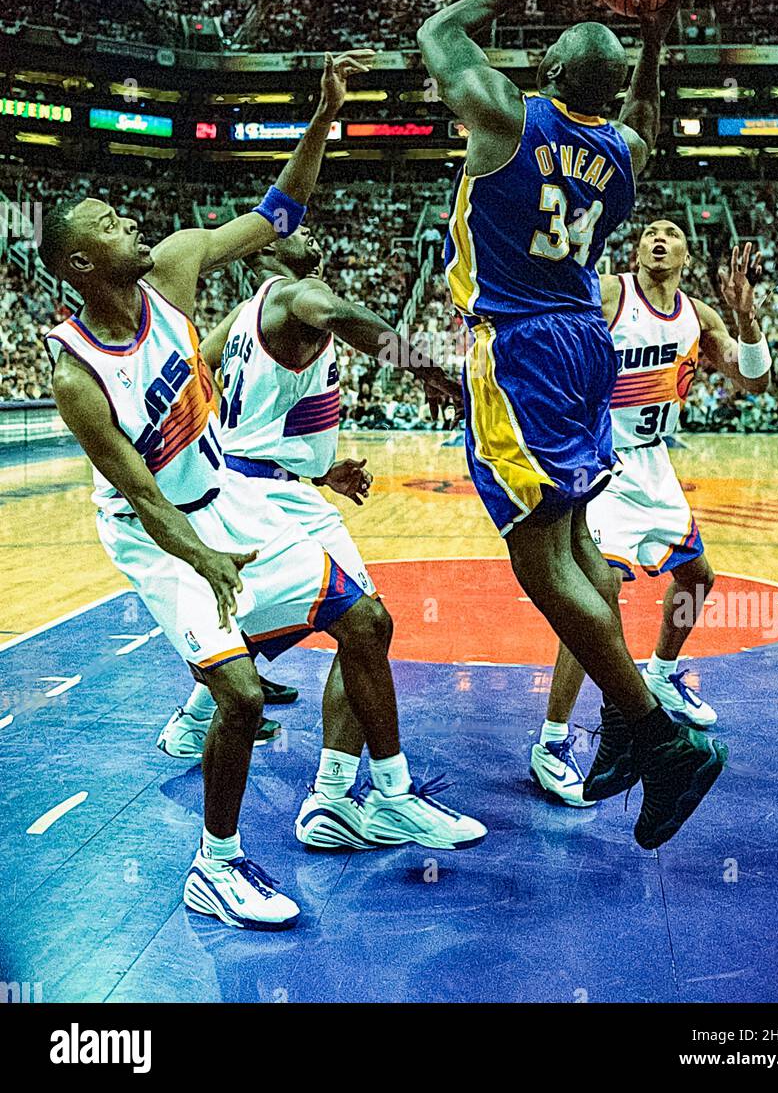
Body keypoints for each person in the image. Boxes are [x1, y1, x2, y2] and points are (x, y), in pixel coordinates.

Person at [41, 53, 484, 934]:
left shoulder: (173, 269)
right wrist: (209, 563)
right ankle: (215, 864)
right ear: (85, 263)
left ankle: (387, 794)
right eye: (109, 222)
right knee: (240, 694)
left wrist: (322, 118)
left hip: (226, 497)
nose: (131, 222)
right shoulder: (76, 375)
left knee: (367, 620)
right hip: (155, 532)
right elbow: (140, 491)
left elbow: (280, 210)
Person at [419, 0, 727, 849]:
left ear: (549, 73)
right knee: (581, 542)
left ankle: (653, 732)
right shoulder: (624, 159)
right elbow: (643, 120)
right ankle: (634, 733)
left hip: (517, 346)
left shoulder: (509, 120)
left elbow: (438, 33)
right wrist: (658, 39)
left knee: (536, 558)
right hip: (586, 341)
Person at [159, 221, 465, 851]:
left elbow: (205, 379)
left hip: (279, 486)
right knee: (362, 623)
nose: (313, 239)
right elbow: (342, 313)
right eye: (297, 234)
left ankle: (330, 796)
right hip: (262, 498)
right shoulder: (298, 296)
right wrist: (428, 368)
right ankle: (367, 794)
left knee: (362, 627)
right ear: (266, 251)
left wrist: (317, 468)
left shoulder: (243, 319)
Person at [530, 231, 771, 803]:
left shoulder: (700, 314)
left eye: (672, 235)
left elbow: (753, 379)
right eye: (649, 234)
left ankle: (662, 672)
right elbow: (553, 323)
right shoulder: (612, 295)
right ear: (636, 252)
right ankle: (553, 740)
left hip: (656, 466)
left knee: (697, 578)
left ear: (688, 257)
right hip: (603, 465)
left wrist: (745, 318)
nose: (659, 239)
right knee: (597, 597)